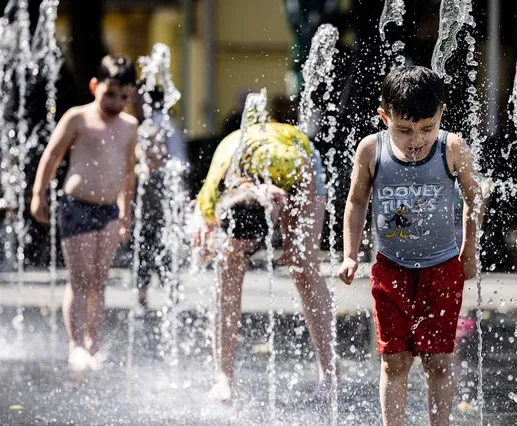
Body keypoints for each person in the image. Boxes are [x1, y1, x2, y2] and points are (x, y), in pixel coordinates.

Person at [338, 66, 481, 426]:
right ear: (384, 117)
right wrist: (350, 254)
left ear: (440, 115)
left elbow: (473, 198)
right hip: (391, 268)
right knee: (394, 359)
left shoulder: (451, 147)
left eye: (426, 128)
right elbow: (356, 202)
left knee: (438, 360)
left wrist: (469, 250)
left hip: (442, 268)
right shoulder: (372, 150)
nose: (416, 139)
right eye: (403, 130)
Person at [193, 120, 335, 403]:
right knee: (227, 270)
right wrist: (207, 243)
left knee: (303, 266)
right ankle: (223, 378)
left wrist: (296, 238)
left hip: (301, 162)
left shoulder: (288, 163)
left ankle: (329, 374)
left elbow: (306, 174)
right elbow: (202, 238)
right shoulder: (213, 198)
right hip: (241, 165)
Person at [30, 55, 138, 371]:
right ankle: (75, 346)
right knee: (79, 280)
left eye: (124, 96)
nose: (116, 102)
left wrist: (125, 213)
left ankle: (93, 342)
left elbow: (127, 173)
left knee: (99, 282)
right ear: (95, 86)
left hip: (108, 211)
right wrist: (38, 194)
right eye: (110, 94)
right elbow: (52, 156)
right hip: (76, 206)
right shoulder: (78, 118)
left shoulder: (130, 126)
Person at [132, 85, 190, 317]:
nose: (133, 103)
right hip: (164, 189)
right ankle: (170, 296)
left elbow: (159, 159)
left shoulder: (155, 124)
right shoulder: (167, 122)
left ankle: (153, 297)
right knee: (161, 243)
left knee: (151, 242)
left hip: (158, 189)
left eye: (137, 99)